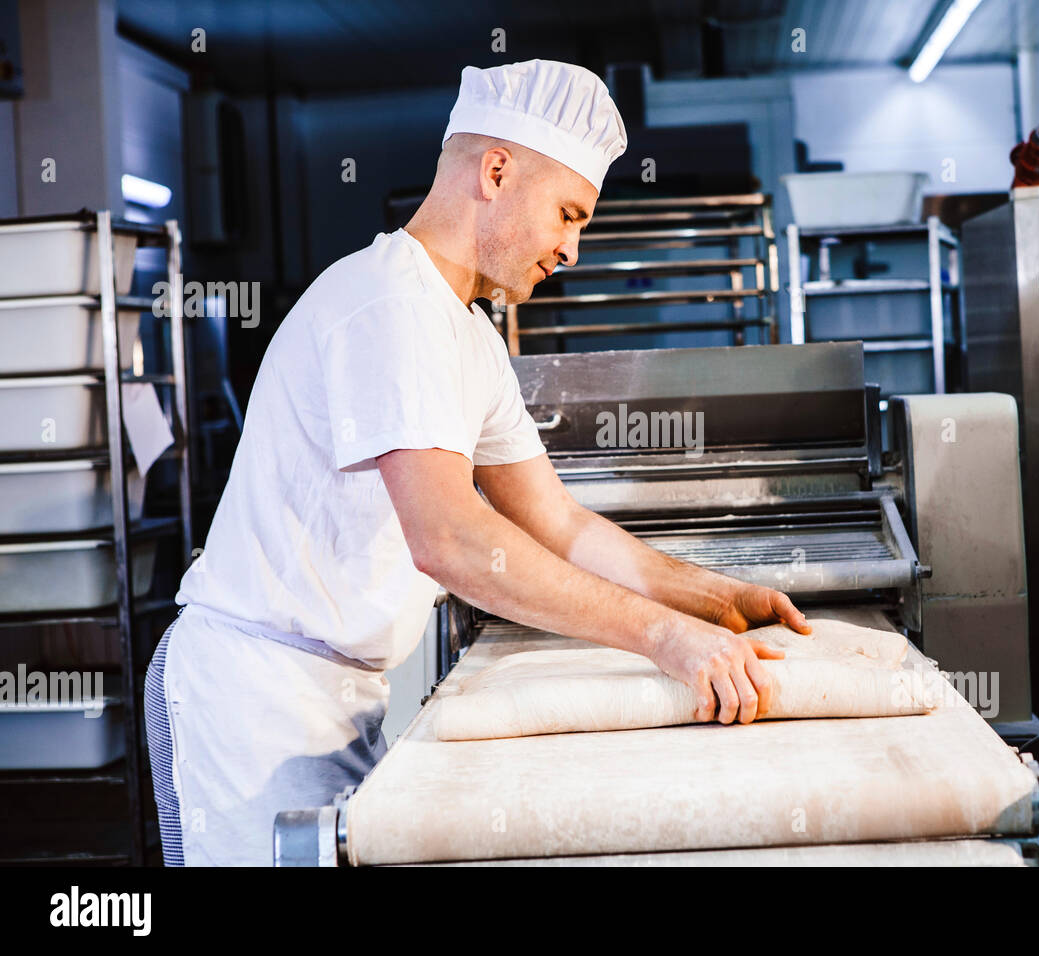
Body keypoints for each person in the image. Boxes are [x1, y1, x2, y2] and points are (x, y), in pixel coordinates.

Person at [144, 58, 811, 867]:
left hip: (338, 694)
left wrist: (716, 598)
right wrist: (667, 640)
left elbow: (557, 524)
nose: (572, 249)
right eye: (569, 214)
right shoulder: (385, 303)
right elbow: (452, 540)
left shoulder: (467, 334)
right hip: (251, 702)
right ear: (497, 171)